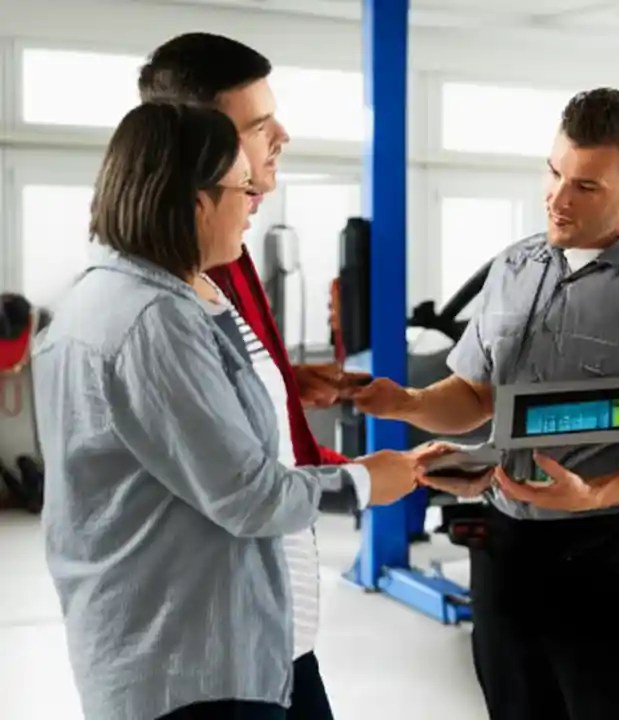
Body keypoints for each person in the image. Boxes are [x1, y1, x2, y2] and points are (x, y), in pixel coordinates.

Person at [31, 102, 421, 720]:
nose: (255, 199)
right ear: (194, 201)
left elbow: (186, 428)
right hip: (191, 667)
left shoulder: (120, 297)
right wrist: (370, 480)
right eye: (242, 187)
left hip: (190, 644)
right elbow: (249, 494)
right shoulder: (153, 319)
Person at [353, 87, 619, 720]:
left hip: (604, 559)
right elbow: (476, 396)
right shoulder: (514, 267)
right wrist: (407, 401)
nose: (558, 198)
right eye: (554, 172)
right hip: (504, 556)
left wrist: (596, 493)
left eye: (585, 185)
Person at [137, 33, 370, 719]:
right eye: (258, 126)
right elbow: (226, 474)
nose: (283, 137)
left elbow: (221, 396)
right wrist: (367, 479)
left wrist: (281, 378)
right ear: (197, 146)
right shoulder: (172, 285)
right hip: (220, 628)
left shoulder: (228, 246)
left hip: (279, 605)